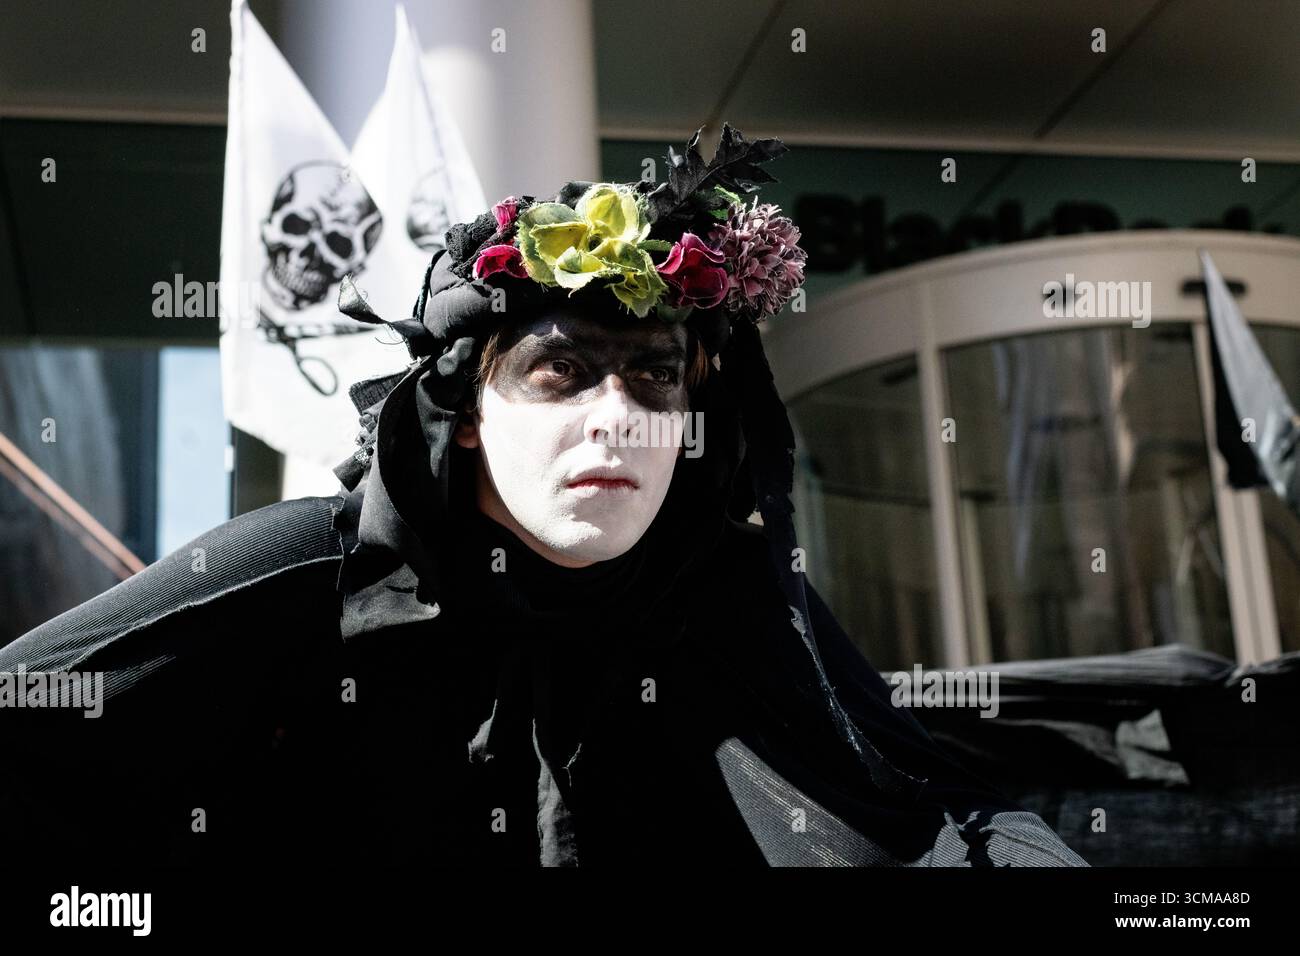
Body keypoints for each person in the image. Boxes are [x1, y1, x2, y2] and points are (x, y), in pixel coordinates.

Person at [0, 125, 1087, 867]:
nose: (617, 413)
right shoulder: (307, 572)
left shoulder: (731, 598)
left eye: (655, 375)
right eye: (563, 371)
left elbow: (914, 797)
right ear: (470, 406)